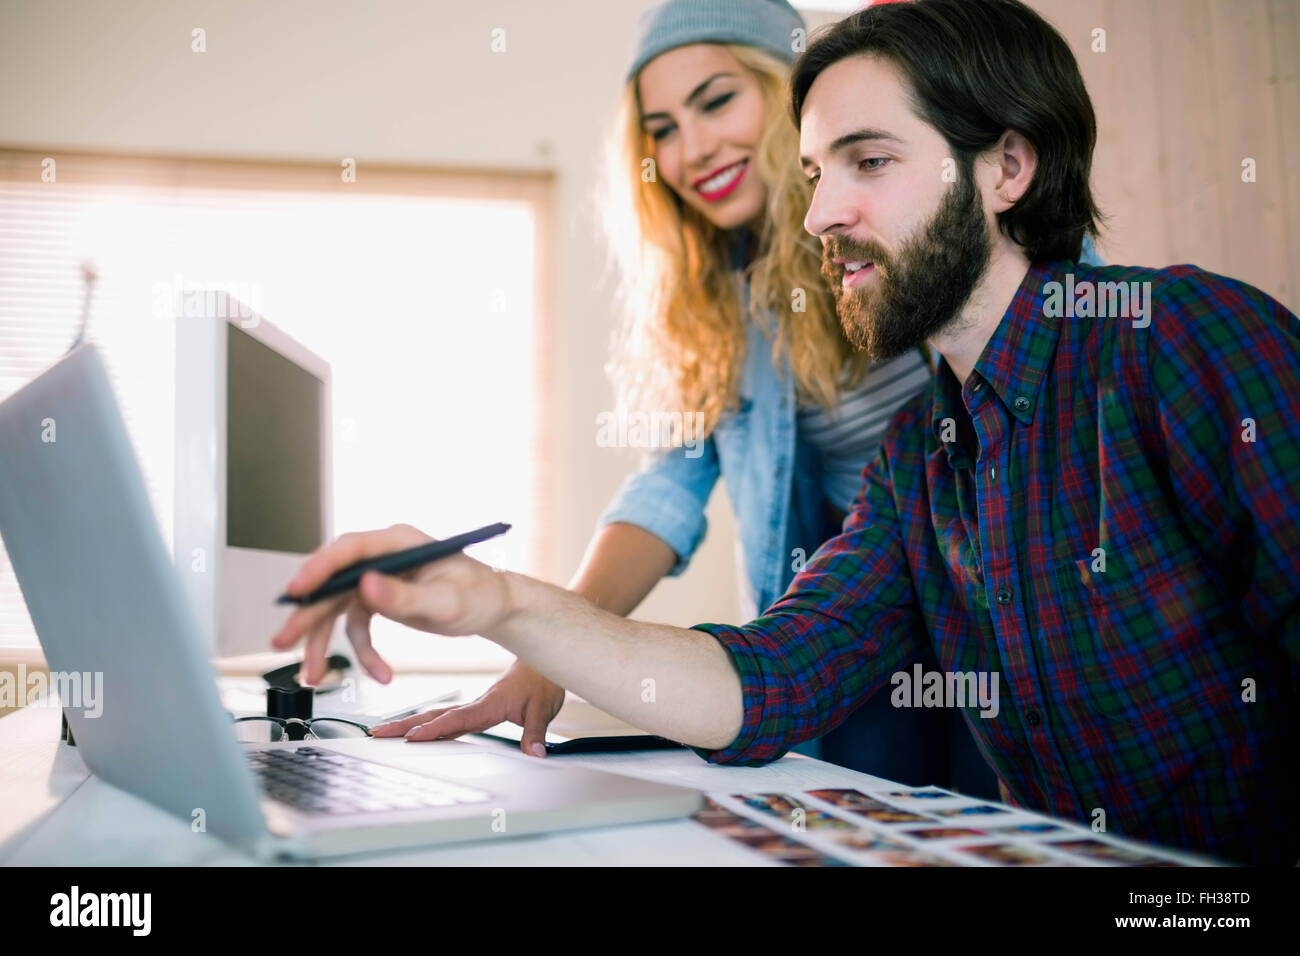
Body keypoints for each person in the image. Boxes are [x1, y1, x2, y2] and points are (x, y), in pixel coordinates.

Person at [270, 0, 1299, 864]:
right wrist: (499, 603)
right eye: (816, 176)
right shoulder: (916, 462)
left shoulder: (1181, 339)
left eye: (868, 160)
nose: (821, 216)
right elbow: (767, 668)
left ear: (1006, 167)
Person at [358, 0, 1079, 797]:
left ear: (795, 99)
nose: (692, 149)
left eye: (716, 101)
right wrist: (537, 643)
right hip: (851, 608)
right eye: (661, 128)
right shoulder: (720, 296)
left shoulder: (1012, 271)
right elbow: (670, 484)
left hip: (994, 585)